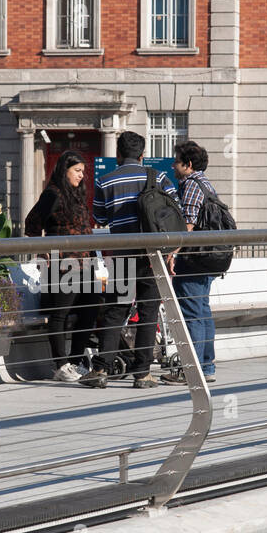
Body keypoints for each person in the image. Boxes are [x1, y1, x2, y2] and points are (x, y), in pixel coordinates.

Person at [78, 129, 178, 390]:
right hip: (152, 253)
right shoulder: (160, 177)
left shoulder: (106, 180)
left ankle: (101, 369)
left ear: (118, 154)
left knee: (115, 311)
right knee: (148, 311)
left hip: (122, 252)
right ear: (143, 154)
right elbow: (173, 211)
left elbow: (100, 217)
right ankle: (143, 374)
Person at [25, 151, 100, 382]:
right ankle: (61, 365)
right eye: (77, 171)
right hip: (63, 265)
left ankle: (76, 362)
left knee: (90, 310)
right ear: (64, 170)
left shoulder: (75, 194)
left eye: (82, 172)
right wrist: (42, 250)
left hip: (85, 264)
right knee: (60, 314)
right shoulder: (53, 193)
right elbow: (32, 223)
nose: (81, 176)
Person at [164, 140, 218, 383]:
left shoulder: (192, 186)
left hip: (194, 259)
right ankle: (205, 367)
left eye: (176, 161)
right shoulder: (205, 183)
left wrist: (173, 253)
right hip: (206, 258)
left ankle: (192, 370)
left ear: (188, 165)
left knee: (192, 313)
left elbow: (188, 225)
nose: (173, 165)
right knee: (202, 311)